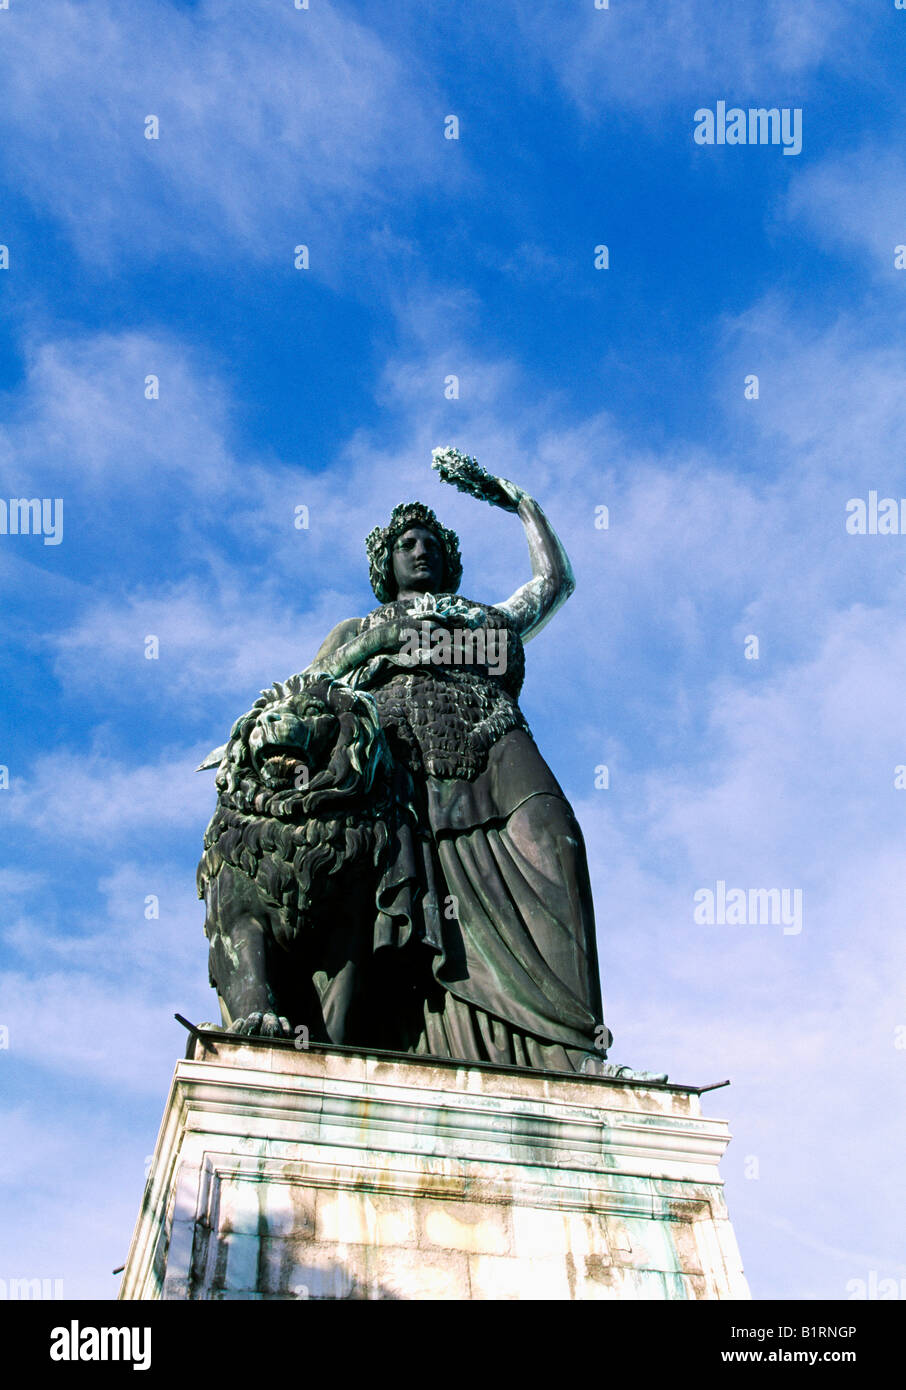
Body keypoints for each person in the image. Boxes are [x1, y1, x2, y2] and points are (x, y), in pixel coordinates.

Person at [303, 460, 611, 1073]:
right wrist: (382, 644)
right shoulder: (361, 627)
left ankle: (572, 1044)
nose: (420, 550)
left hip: (494, 741)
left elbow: (554, 583)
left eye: (431, 543)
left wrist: (517, 501)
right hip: (402, 757)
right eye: (406, 544)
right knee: (399, 885)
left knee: (557, 842)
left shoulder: (482, 618)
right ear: (384, 565)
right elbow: (311, 690)